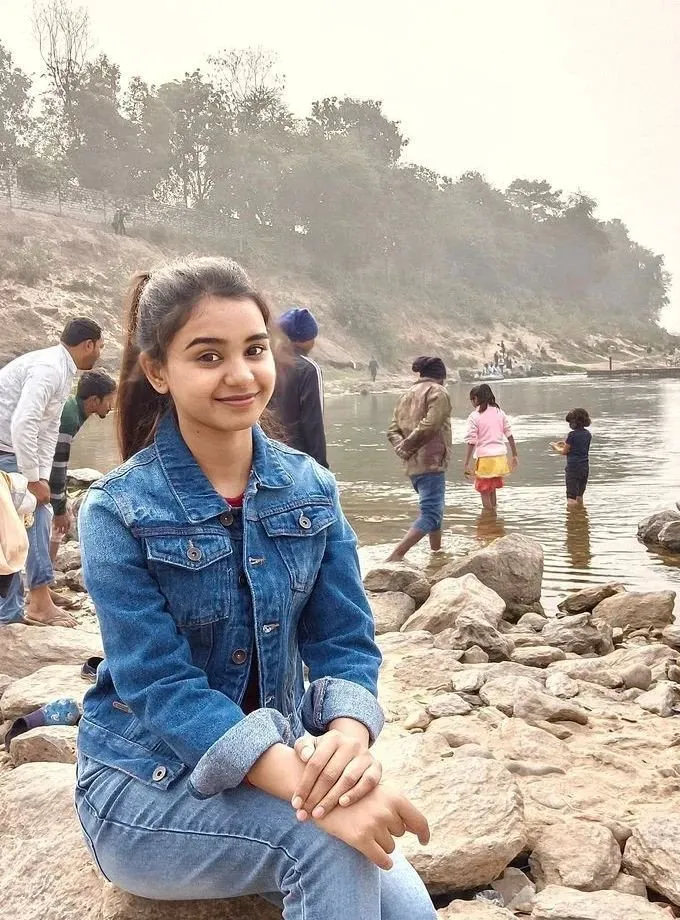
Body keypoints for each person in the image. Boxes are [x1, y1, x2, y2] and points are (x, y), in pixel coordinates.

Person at [74, 257, 434, 919]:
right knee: (326, 846)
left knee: (409, 908)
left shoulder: (311, 489)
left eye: (255, 350)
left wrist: (346, 742)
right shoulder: (117, 510)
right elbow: (158, 682)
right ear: (158, 370)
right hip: (147, 782)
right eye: (208, 356)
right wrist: (313, 792)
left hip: (280, 766)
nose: (241, 375)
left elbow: (345, 642)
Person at [0, 318, 104, 626]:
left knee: (28, 514)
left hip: (14, 450)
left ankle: (23, 605)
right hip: (6, 449)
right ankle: (36, 602)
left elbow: (47, 431)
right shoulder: (48, 369)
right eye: (100, 346)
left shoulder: (62, 369)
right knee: (23, 519)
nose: (100, 353)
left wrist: (42, 477)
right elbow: (24, 423)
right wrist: (33, 479)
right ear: (88, 345)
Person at [386, 356, 451, 562]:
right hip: (431, 460)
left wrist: (403, 449)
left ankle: (436, 553)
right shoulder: (438, 392)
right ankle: (396, 555)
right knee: (431, 513)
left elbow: (392, 430)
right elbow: (431, 424)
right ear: (441, 377)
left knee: (434, 509)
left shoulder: (406, 394)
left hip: (413, 465)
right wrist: (408, 446)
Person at [49, 371, 117, 563]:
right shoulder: (69, 417)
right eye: (109, 400)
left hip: (39, 468)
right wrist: (58, 508)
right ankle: (41, 576)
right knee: (56, 519)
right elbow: (58, 463)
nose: (111, 406)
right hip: (27, 469)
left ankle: (46, 573)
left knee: (62, 518)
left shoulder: (74, 410)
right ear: (94, 400)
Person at [270, 307, 328, 468]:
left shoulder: (267, 362)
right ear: (305, 339)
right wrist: (321, 468)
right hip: (297, 459)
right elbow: (313, 423)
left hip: (267, 454)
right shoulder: (308, 369)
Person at [463, 384, 518, 512]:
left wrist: (466, 462)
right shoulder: (500, 412)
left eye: (472, 399)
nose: (472, 402)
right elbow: (509, 435)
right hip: (500, 458)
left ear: (476, 398)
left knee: (484, 491)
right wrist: (515, 455)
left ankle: (489, 518)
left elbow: (471, 441)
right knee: (492, 489)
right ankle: (494, 516)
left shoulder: (475, 416)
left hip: (485, 459)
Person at [551, 408, 592, 508]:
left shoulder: (572, 435)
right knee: (579, 496)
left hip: (573, 468)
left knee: (571, 498)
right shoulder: (588, 434)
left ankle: (573, 516)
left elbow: (564, 452)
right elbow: (578, 447)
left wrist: (555, 447)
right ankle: (581, 514)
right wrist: (565, 444)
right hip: (584, 468)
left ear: (574, 423)